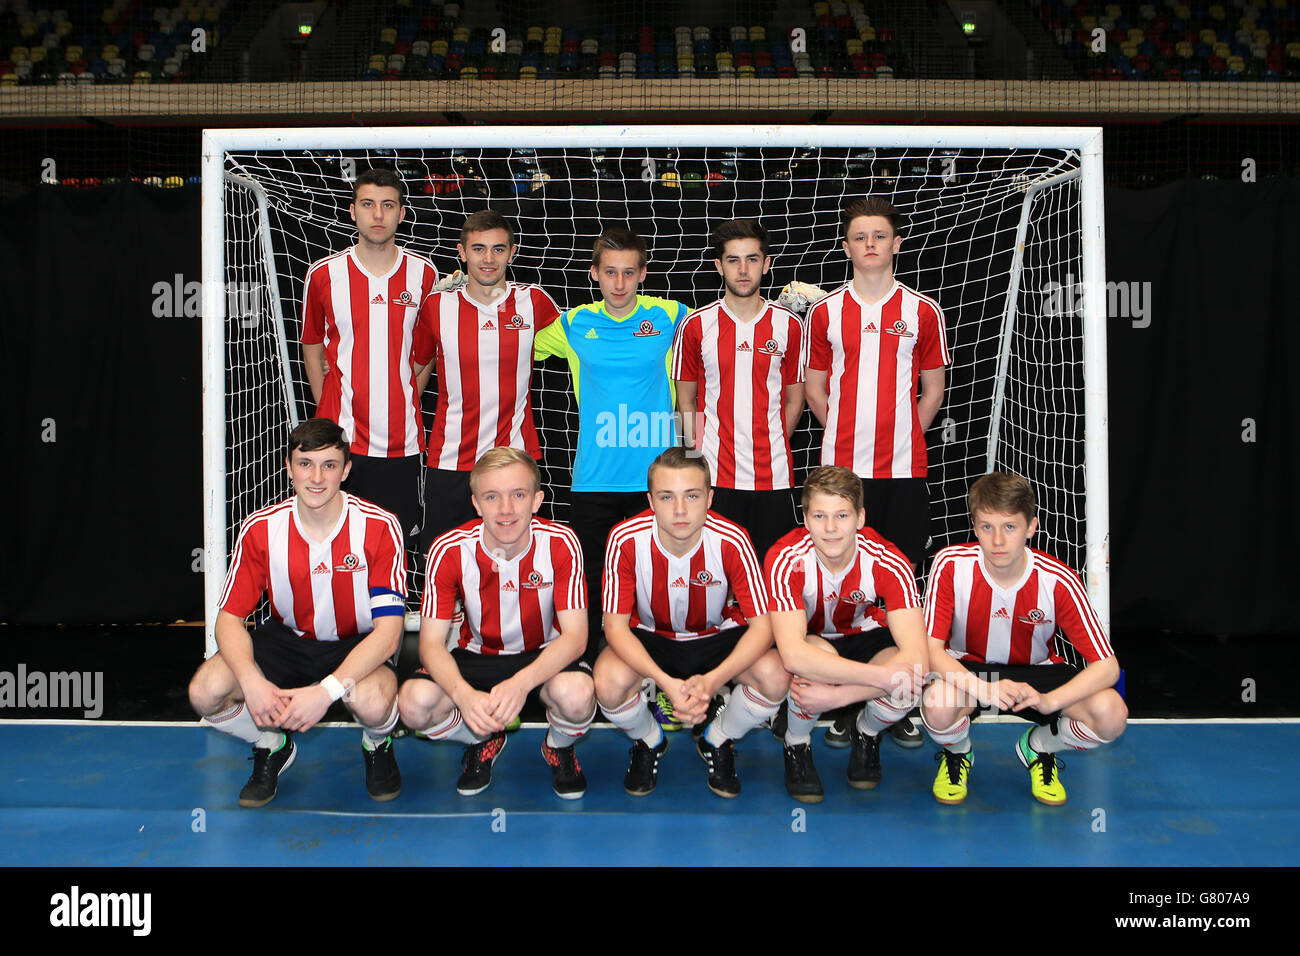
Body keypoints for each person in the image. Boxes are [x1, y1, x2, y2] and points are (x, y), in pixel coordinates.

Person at [188, 418, 405, 807]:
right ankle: (271, 744)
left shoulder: (378, 526)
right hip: (288, 641)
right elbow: (228, 619)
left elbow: (389, 632)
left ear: (346, 470)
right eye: (305, 464)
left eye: (329, 465)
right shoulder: (261, 529)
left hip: (357, 643)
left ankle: (377, 743)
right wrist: (251, 680)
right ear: (289, 468)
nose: (316, 477)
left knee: (372, 702)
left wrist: (327, 693)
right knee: (205, 692)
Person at [803, 196, 949, 747]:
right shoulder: (824, 313)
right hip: (842, 475)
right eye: (859, 236)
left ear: (895, 243)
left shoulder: (923, 311)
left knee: (897, 584)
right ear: (847, 247)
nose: (869, 245)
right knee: (840, 584)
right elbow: (815, 389)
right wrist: (845, 431)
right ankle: (849, 691)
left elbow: (933, 389)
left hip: (903, 471)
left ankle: (896, 697)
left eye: (879, 235)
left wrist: (905, 432)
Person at [397, 448, 596, 799]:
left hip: (543, 655)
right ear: (476, 504)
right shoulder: (450, 549)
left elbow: (577, 638)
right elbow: (429, 644)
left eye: (518, 495)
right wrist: (464, 696)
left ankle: (558, 747)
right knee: (413, 705)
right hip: (475, 655)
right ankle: (481, 738)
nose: (506, 509)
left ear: (537, 500)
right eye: (492, 497)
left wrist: (519, 685)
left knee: (578, 697)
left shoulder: (562, 544)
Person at [920, 472, 1128, 806]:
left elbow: (1107, 666)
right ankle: (958, 752)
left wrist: (1050, 702)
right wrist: (986, 689)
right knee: (937, 704)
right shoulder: (950, 565)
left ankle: (1041, 746)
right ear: (974, 526)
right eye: (987, 527)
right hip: (970, 669)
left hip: (1036, 672)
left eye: (1010, 527)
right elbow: (930, 651)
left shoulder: (1058, 579)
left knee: (1111, 713)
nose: (998, 541)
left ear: (1031, 526)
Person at [594, 447, 788, 798]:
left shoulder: (733, 539)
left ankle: (718, 739)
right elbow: (615, 628)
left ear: (709, 498)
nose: (680, 510)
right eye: (667, 497)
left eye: (692, 495)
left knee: (775, 676)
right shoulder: (625, 539)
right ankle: (650, 741)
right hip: (650, 638)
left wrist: (713, 682)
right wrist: (666, 683)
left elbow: (763, 626)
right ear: (651, 500)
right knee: (607, 682)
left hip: (714, 637)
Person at [533, 227, 689, 662]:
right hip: (594, 480)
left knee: (658, 585)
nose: (619, 283)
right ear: (594, 274)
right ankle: (592, 669)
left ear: (642, 274)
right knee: (596, 585)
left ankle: (661, 672)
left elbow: (723, 331)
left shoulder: (672, 315)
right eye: (609, 273)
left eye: (628, 273)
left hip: (657, 481)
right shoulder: (573, 323)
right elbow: (509, 342)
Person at [300, 168, 440, 622]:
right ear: (352, 211)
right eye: (367, 204)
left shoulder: (424, 274)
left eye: (387, 205)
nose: (377, 215)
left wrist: (404, 398)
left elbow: (426, 353)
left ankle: (388, 643)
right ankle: (332, 631)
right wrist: (328, 421)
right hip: (341, 442)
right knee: (337, 542)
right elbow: (313, 346)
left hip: (401, 442)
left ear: (402, 213)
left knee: (393, 546)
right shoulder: (323, 274)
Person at [765, 466, 926, 803]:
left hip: (863, 634)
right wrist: (880, 678)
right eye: (820, 516)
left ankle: (866, 732)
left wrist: (839, 698)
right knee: (810, 672)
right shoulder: (785, 557)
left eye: (842, 515)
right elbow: (794, 654)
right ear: (805, 519)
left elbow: (917, 660)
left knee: (907, 685)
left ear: (860, 517)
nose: (831, 528)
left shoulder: (889, 560)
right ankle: (796, 745)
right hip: (811, 638)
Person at [414, 210, 562, 545]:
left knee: (518, 563)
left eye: (498, 249)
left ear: (512, 252)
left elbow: (584, 344)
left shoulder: (534, 301)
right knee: (443, 563)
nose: (488, 258)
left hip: (516, 457)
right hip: (451, 459)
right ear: (461, 252)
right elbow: (415, 371)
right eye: (478, 248)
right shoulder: (437, 306)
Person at [672, 218, 805, 563]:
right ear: (719, 266)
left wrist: (773, 440)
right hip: (716, 477)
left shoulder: (789, 325)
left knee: (772, 574)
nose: (743, 270)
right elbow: (685, 400)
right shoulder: (696, 325)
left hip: (773, 476)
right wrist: (695, 461)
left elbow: (795, 399)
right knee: (716, 577)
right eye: (733, 260)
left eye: (752, 259)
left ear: (767, 263)